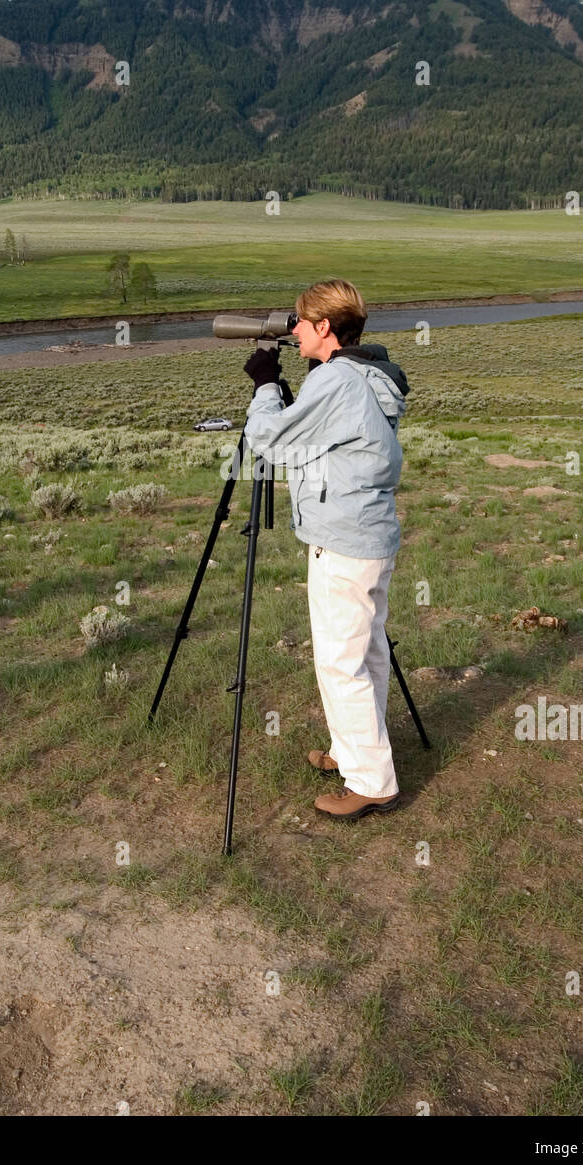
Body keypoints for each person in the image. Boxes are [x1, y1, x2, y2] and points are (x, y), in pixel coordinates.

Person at [242, 279, 409, 821]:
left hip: (343, 540)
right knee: (366, 654)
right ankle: (351, 752)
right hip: (366, 534)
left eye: (300, 321)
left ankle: (371, 783)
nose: (294, 329)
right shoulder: (364, 373)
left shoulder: (338, 380)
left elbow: (269, 442)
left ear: (322, 328)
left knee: (342, 663)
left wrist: (266, 385)